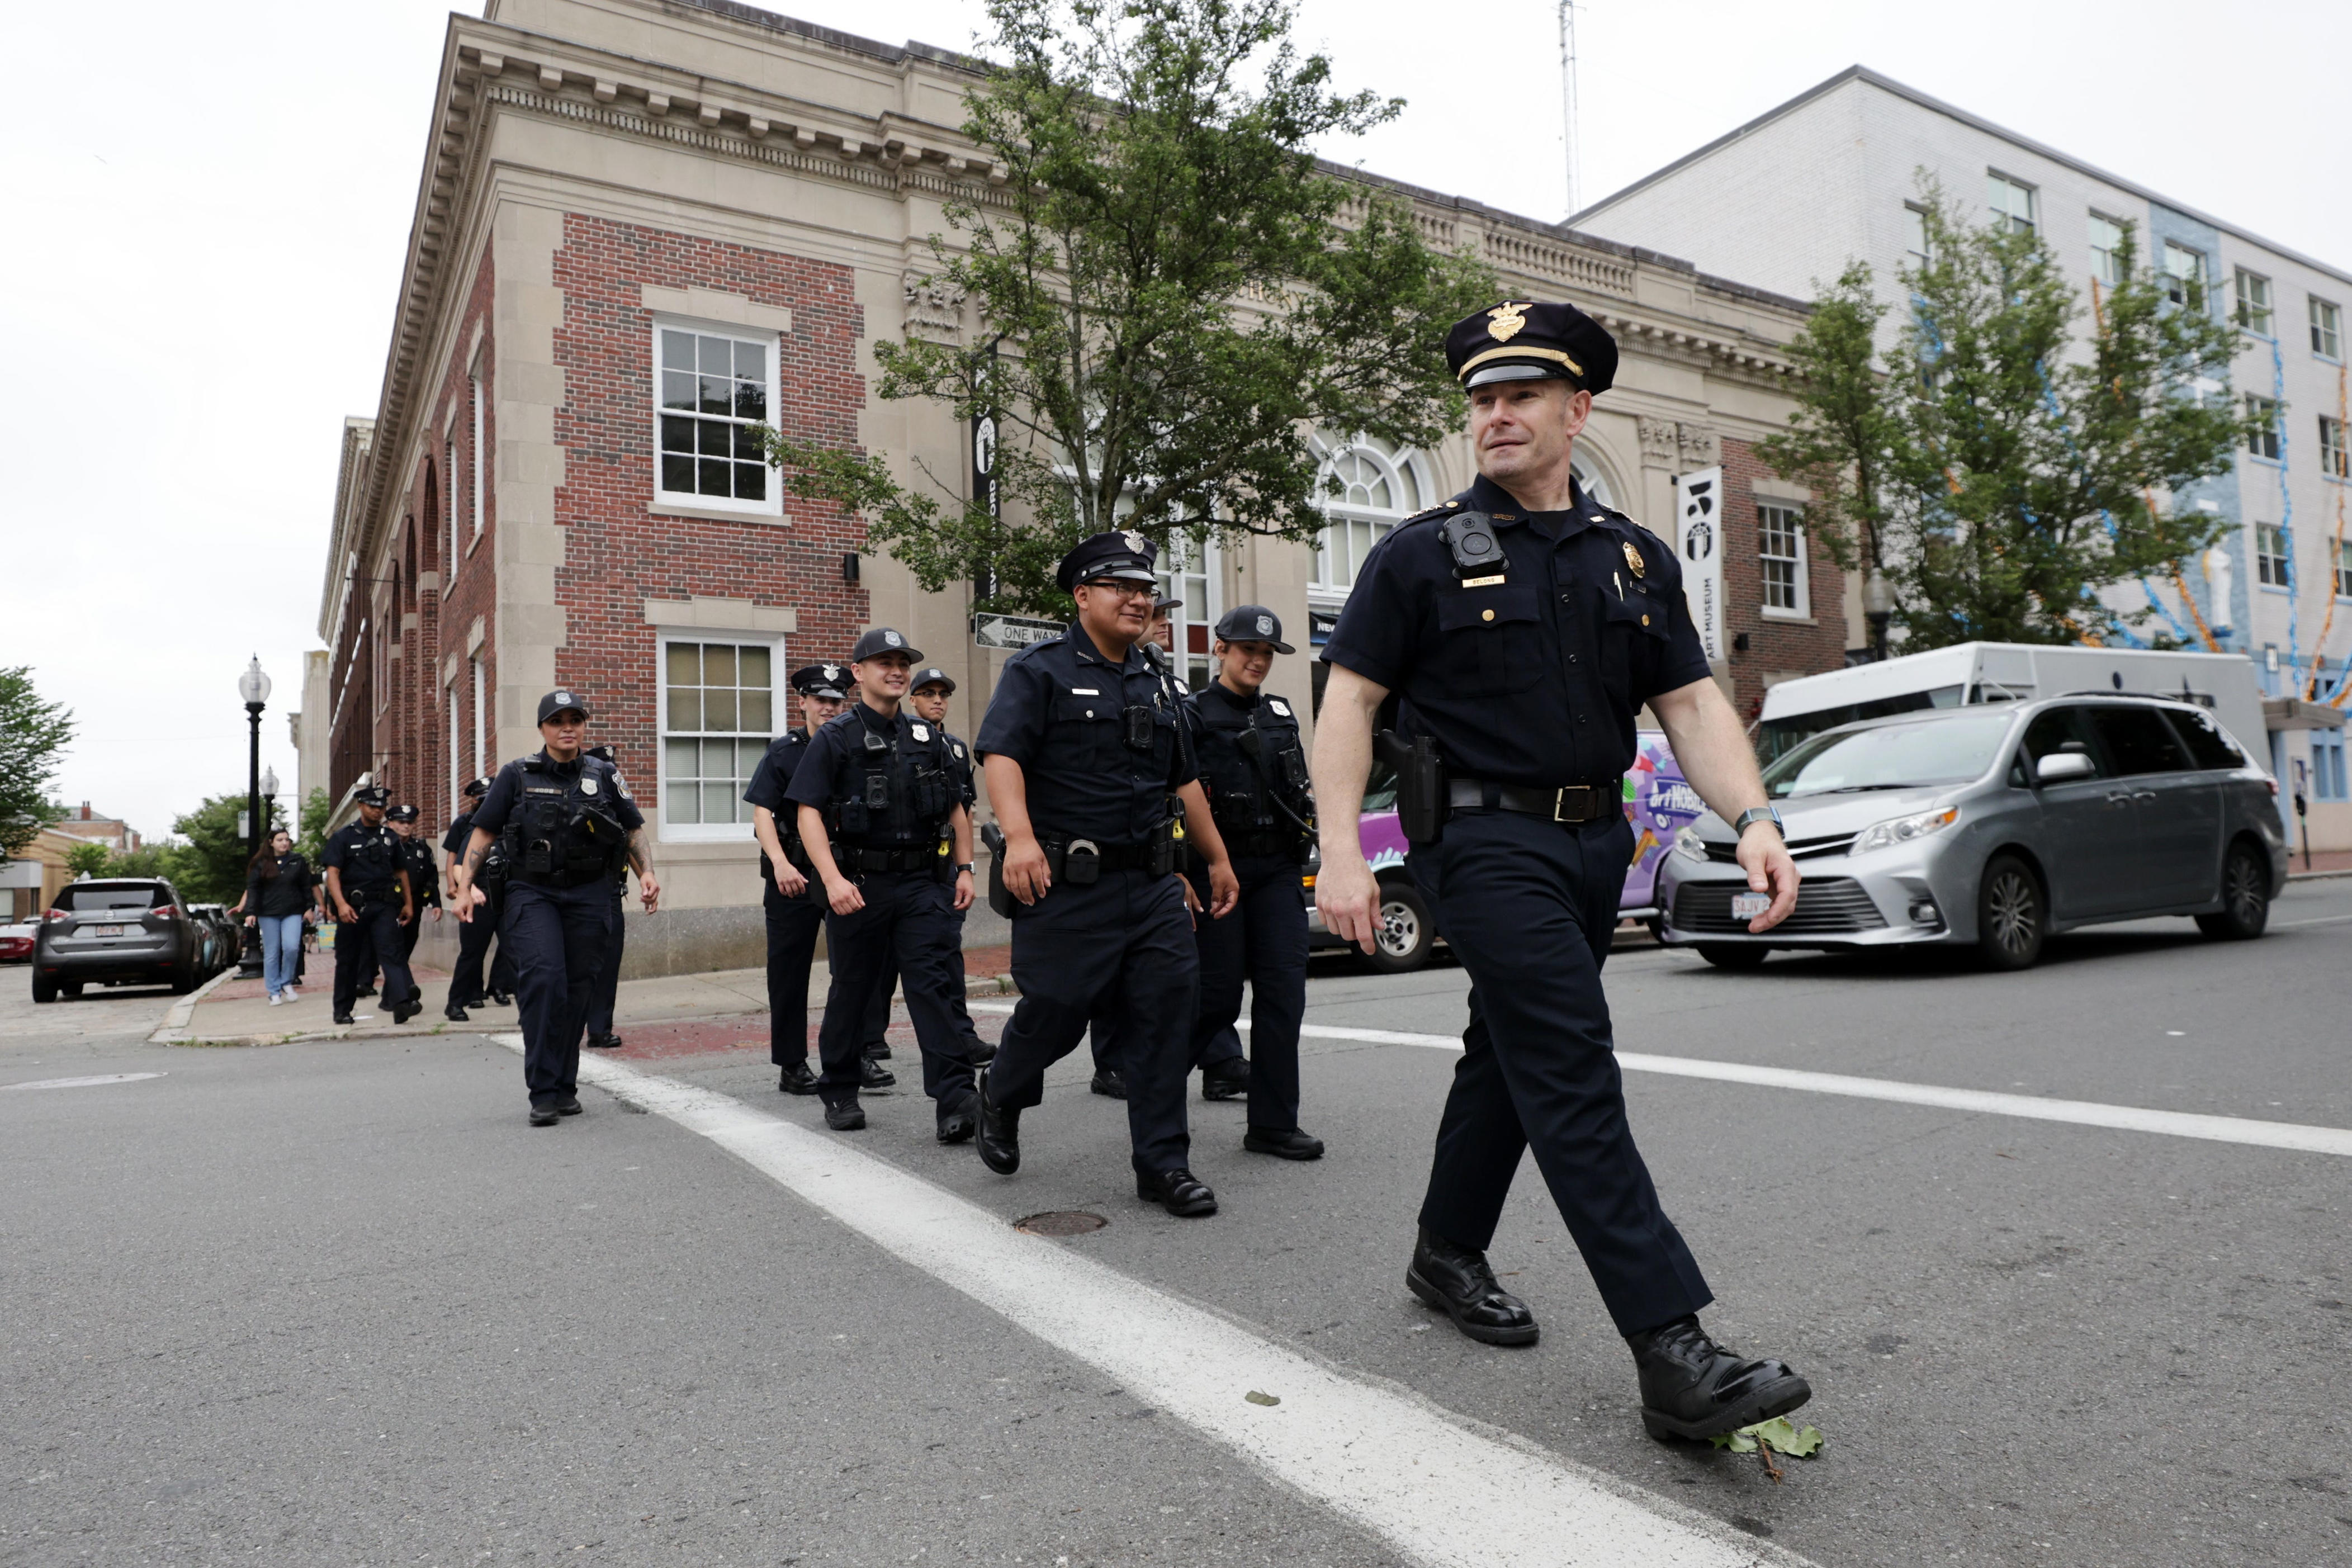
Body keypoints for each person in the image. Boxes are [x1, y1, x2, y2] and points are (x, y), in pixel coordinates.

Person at [1310, 299, 1812, 1443]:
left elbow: (1689, 702)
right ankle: (1673, 1348)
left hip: (1596, 844)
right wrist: (1342, 850)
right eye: (1481, 399)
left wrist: (1755, 817)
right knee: (1571, 1063)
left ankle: (1445, 1251)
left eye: (1520, 395)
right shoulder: (1418, 555)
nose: (1494, 416)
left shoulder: (1632, 558)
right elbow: (1351, 702)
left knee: (1511, 1053)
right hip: (1481, 843)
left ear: (1576, 409)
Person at [972, 532, 1239, 1218]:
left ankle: (1163, 1165)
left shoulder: (1155, 679)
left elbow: (1183, 782)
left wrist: (1213, 859)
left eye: (1145, 588)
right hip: (1067, 885)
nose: (1138, 598)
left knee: (1163, 1018)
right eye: (1121, 586)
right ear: (1082, 595)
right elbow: (1001, 756)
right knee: (1055, 1014)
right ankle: (1001, 1090)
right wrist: (1022, 840)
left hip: (1149, 886)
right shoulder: (1039, 671)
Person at [789, 629, 986, 1138]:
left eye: (902, 662)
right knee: (854, 990)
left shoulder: (929, 738)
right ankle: (839, 1088)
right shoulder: (836, 736)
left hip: (923, 882)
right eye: (884, 662)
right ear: (859, 673)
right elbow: (807, 811)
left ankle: (957, 1100)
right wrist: (831, 879)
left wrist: (964, 868)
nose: (896, 670)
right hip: (859, 883)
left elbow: (956, 808)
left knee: (934, 987)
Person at [452, 690, 659, 1127]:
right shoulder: (516, 775)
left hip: (590, 893)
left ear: (584, 725)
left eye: (575, 719)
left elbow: (632, 829)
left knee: (579, 988)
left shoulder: (603, 774)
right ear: (543, 727)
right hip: (532, 891)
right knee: (544, 979)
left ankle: (565, 1085)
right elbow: (483, 832)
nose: (567, 727)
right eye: (557, 720)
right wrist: (464, 887)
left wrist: (647, 874)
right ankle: (543, 1090)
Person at [1183, 606, 1322, 1158]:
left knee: (1284, 997)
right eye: (1247, 651)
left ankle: (1272, 1125)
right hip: (1220, 872)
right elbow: (1177, 798)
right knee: (1215, 998)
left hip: (1278, 872)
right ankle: (1156, 1093)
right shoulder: (1191, 715)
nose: (1257, 661)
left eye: (1266, 653)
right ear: (1220, 650)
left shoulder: (1282, 714)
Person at [747, 665, 896, 1095]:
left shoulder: (857, 746)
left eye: (835, 700)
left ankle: (858, 1053)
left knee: (857, 967)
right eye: (820, 699)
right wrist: (779, 863)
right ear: (803, 703)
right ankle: (792, 1063)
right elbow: (762, 812)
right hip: (793, 876)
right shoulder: (783, 752)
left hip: (845, 874)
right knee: (789, 973)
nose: (828, 707)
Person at [850, 666, 996, 1070]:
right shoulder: (894, 740)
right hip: (890, 867)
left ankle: (960, 1037)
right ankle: (869, 1038)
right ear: (911, 700)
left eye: (943, 694)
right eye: (927, 693)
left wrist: (963, 866)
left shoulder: (952, 748)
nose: (937, 700)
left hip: (939, 866)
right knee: (879, 960)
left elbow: (961, 807)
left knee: (944, 955)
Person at [1086, 589, 1186, 1100]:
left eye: (1165, 614)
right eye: (1160, 616)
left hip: (1156, 850)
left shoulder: (1162, 681)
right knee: (1094, 983)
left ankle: (1164, 1153)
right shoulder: (1072, 672)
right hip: (1094, 862)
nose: (1161, 623)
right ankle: (1108, 1061)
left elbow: (1178, 773)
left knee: (1163, 985)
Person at [322, 785, 420, 1026]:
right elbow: (332, 873)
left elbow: (400, 871)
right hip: (354, 908)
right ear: (360, 807)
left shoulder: (390, 838)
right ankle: (342, 1010)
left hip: (384, 905)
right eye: (373, 806)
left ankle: (401, 1004)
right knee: (349, 960)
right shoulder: (343, 837)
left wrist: (408, 903)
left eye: (381, 807)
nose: (378, 811)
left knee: (393, 953)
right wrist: (341, 905)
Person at [442, 776, 515, 1022]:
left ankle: (529, 1008)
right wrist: (469, 890)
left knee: (516, 953)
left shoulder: (514, 825)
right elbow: (459, 866)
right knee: (472, 955)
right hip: (481, 900)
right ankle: (455, 1004)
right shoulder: (476, 831)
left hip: (508, 901)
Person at [581, 745, 636, 1050]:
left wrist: (648, 878)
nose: (612, 774)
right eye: (606, 769)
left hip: (611, 891)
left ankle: (600, 1029)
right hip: (580, 892)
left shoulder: (619, 806)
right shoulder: (579, 802)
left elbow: (631, 839)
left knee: (608, 962)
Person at [242, 828, 318, 1006]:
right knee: (272, 952)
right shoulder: (260, 863)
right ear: (271, 843)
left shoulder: (297, 861)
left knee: (292, 948)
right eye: (280, 840)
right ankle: (274, 990)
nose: (284, 843)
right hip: (268, 913)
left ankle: (286, 981)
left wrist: (310, 908)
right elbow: (253, 889)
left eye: (287, 839)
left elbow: (306, 886)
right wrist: (251, 912)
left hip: (292, 911)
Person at [386, 806, 442, 978]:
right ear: (391, 824)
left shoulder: (422, 849)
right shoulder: (384, 847)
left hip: (415, 905)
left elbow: (432, 878)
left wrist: (437, 903)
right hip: (389, 905)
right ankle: (397, 987)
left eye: (410, 823)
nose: (406, 826)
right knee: (392, 948)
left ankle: (395, 988)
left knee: (408, 944)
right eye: (401, 822)